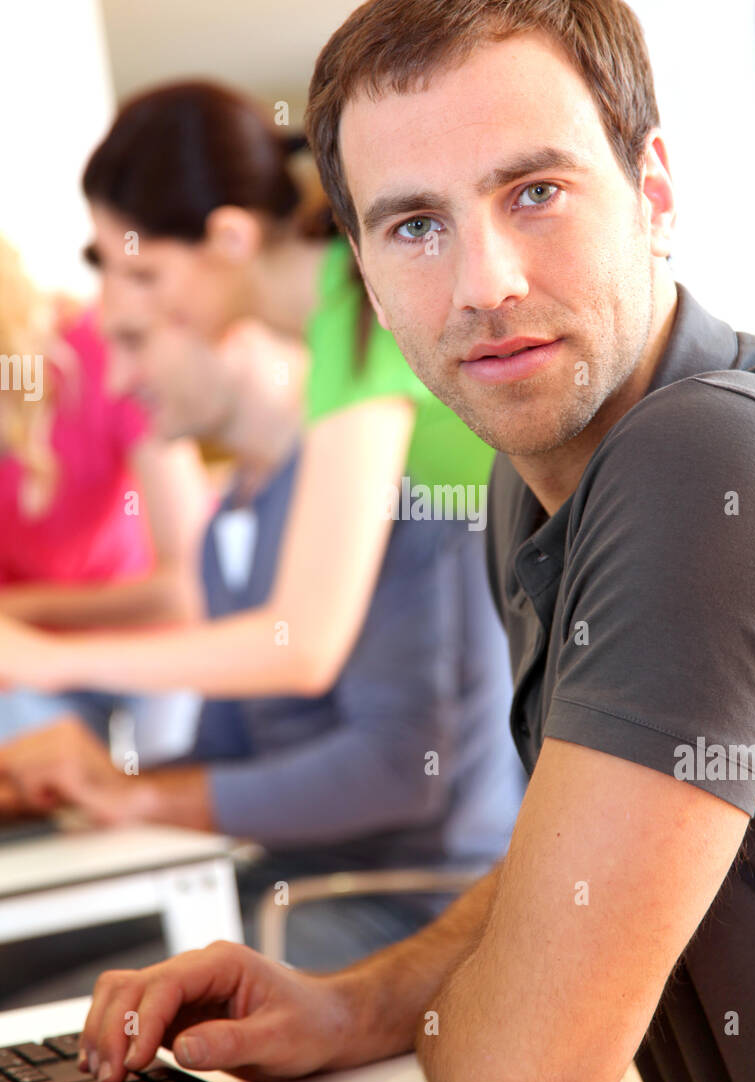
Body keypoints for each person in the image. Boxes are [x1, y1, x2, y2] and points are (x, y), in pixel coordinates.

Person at [64, 0, 755, 1082]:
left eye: (533, 191)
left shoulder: (705, 461)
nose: (483, 284)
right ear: (368, 279)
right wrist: (350, 1007)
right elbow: (574, 846)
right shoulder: (533, 479)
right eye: (416, 224)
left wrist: (478, 1024)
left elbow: (524, 1080)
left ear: (652, 190)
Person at [0, 299, 522, 1000]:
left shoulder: (403, 493)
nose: (118, 380)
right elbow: (229, 749)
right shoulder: (227, 525)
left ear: (232, 314)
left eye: (136, 338)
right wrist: (92, 783)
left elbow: (397, 774)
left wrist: (140, 796)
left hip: (407, 908)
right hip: (281, 880)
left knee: (55, 1012)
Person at [0, 83, 498, 713]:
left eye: (145, 274)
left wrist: (45, 658)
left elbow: (302, 646)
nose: (134, 306)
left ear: (231, 240)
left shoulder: (356, 309)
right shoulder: (332, 323)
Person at [0, 235, 209, 754]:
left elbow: (189, 588)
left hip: (157, 649)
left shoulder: (107, 355)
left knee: (175, 766)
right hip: (35, 674)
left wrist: (19, 609)